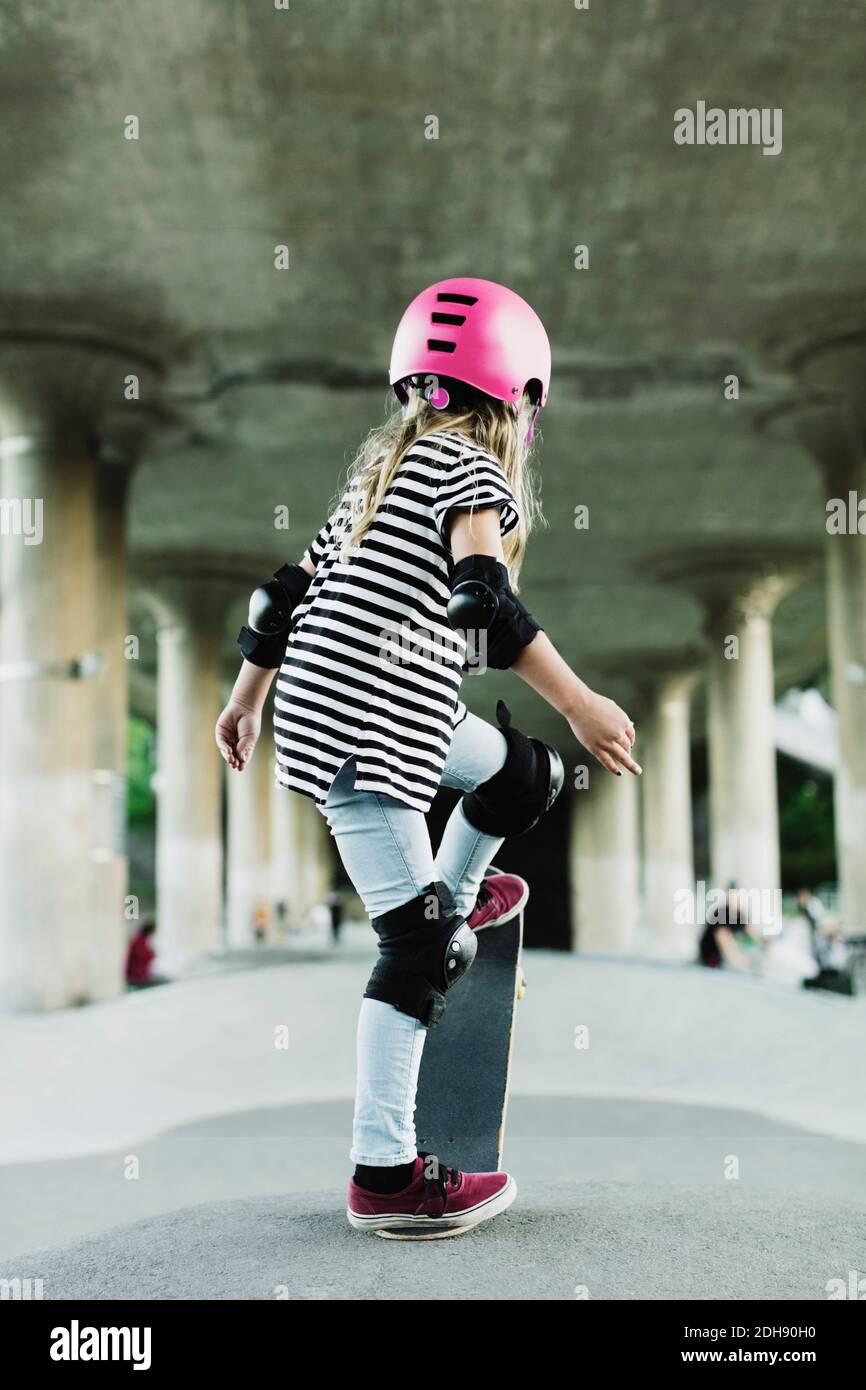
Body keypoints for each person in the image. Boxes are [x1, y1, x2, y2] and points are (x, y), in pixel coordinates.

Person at [215, 277, 641, 1237]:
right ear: (521, 398)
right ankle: (386, 1174)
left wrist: (245, 700)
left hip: (395, 706)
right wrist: (582, 704)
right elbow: (481, 600)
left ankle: (460, 891)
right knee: (418, 956)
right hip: (366, 732)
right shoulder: (475, 478)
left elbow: (280, 598)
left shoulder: (377, 480)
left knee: (518, 775)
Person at [125, 919, 166, 989]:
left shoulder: (142, 938)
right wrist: (151, 954)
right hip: (136, 974)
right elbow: (141, 954)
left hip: (140, 973)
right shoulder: (139, 939)